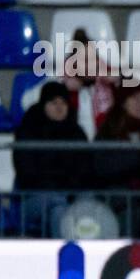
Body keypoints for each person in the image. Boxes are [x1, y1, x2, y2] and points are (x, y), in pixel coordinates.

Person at [13, 80, 91, 235]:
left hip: (69, 194)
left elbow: (85, 168)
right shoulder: (29, 130)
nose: (59, 107)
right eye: (54, 102)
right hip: (34, 197)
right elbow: (27, 172)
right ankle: (64, 256)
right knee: (58, 205)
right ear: (44, 104)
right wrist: (60, 185)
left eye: (63, 103)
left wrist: (69, 188)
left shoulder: (76, 133)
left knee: (88, 200)